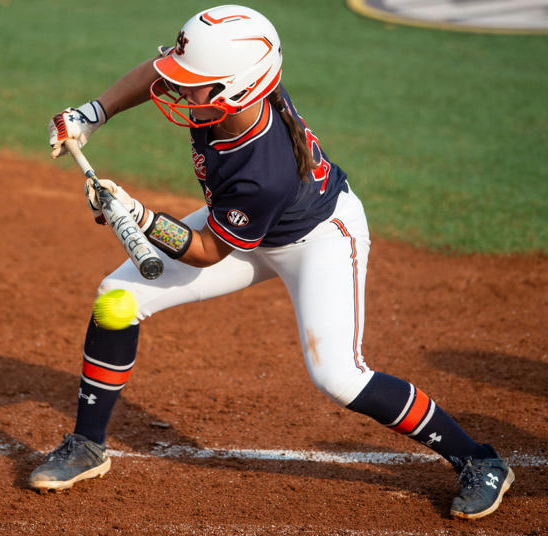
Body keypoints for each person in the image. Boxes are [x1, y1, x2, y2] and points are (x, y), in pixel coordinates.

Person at [30, 5, 514, 520]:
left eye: (194, 83)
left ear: (235, 88)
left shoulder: (265, 168)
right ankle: (87, 445)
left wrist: (143, 218)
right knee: (119, 297)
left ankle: (478, 459)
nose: (179, 87)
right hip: (239, 227)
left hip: (317, 239)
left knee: (339, 377)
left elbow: (209, 252)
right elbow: (161, 70)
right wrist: (92, 113)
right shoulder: (228, 92)